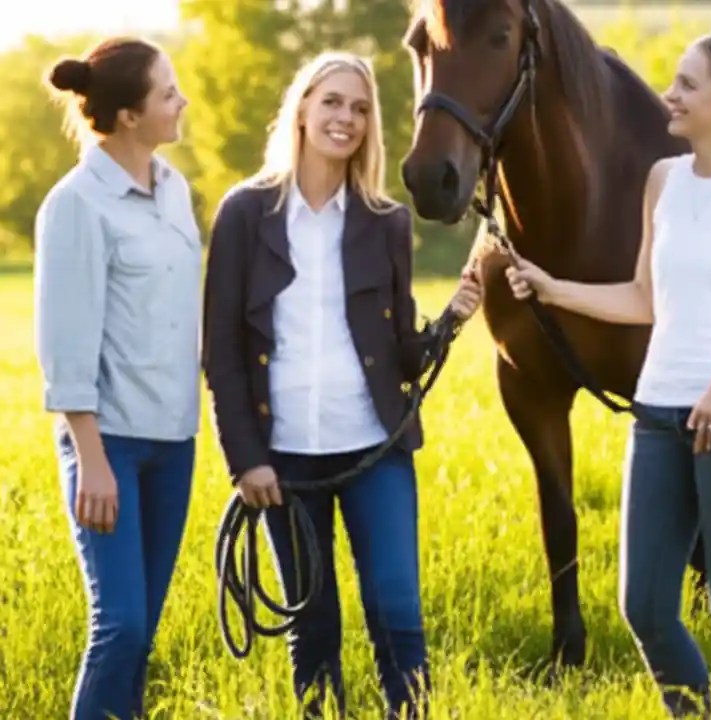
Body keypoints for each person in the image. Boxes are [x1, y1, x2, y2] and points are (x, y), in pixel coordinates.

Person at [506, 32, 711, 718]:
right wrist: (555, 289)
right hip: (657, 418)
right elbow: (644, 298)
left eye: (687, 85)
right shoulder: (663, 180)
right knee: (644, 605)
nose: (668, 96)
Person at [201, 51, 482, 719]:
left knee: (398, 613)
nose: (346, 118)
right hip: (284, 461)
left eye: (359, 108)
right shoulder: (245, 214)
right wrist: (246, 460)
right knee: (313, 626)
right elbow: (221, 353)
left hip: (373, 452)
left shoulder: (386, 222)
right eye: (332, 102)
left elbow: (397, 355)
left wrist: (451, 320)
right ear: (301, 109)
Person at [33, 37, 200, 720]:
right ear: (130, 116)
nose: (181, 100)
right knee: (120, 626)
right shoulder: (76, 204)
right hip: (110, 449)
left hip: (174, 441)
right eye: (168, 93)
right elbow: (64, 344)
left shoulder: (175, 189)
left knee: (142, 635)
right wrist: (92, 461)